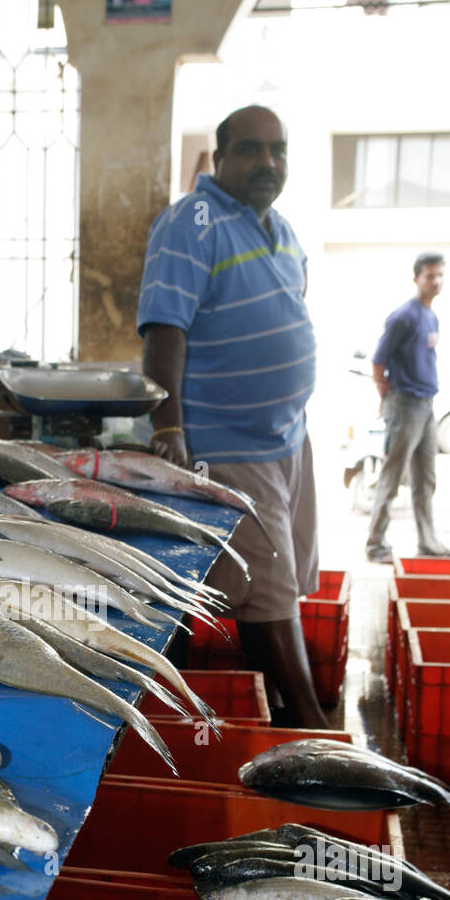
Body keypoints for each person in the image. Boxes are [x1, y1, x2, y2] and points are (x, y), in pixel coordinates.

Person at [137, 104, 328, 728]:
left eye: (277, 149)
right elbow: (166, 329)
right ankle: (308, 724)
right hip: (228, 443)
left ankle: (270, 712)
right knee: (269, 592)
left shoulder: (282, 228)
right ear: (219, 160)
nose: (267, 162)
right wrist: (169, 429)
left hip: (286, 442)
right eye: (250, 149)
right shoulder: (193, 222)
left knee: (279, 579)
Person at [365, 253, 450, 563]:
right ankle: (376, 545)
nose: (436, 281)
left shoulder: (431, 316)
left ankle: (427, 542)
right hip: (404, 405)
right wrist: (386, 396)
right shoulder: (404, 316)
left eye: (440, 275)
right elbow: (378, 361)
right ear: (416, 278)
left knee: (425, 479)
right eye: (430, 275)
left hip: (426, 404)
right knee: (392, 478)